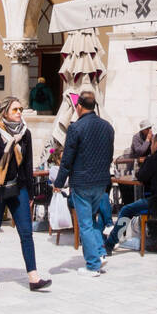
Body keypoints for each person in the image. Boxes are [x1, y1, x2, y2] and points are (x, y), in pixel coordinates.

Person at [0, 96, 50, 291]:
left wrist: (31, 195)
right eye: (15, 110)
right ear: (5, 113)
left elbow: (27, 164)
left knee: (26, 232)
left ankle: (33, 277)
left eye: (20, 109)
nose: (19, 113)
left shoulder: (25, 134)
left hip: (19, 188)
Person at [52, 90, 115, 276]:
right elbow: (109, 155)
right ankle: (100, 253)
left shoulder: (76, 128)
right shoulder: (107, 127)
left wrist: (59, 182)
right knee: (92, 220)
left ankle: (92, 264)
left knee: (85, 224)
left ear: (79, 106)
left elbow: (67, 158)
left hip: (82, 182)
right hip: (101, 181)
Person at [105, 129, 157, 254]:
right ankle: (154, 242)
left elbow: (141, 177)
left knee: (126, 210)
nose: (151, 147)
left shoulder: (153, 159)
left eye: (152, 144)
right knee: (150, 201)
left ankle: (109, 244)